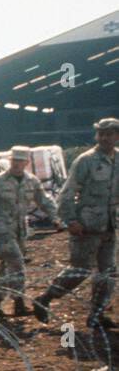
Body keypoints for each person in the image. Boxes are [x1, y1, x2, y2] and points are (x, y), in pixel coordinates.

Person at [33, 118, 119, 328]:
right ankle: (46, 297)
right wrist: (71, 220)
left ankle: (96, 314)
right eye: (102, 133)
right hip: (86, 226)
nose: (105, 138)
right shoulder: (86, 160)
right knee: (80, 270)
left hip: (109, 225)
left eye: (110, 133)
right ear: (97, 136)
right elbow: (66, 194)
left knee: (107, 273)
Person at [0, 145, 59, 317]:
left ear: (26, 162)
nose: (16, 164)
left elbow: (45, 201)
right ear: (10, 161)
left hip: (20, 231)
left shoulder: (32, 181)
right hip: (1, 230)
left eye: (20, 161)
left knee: (6, 268)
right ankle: (18, 302)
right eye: (14, 160)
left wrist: (57, 218)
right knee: (17, 263)